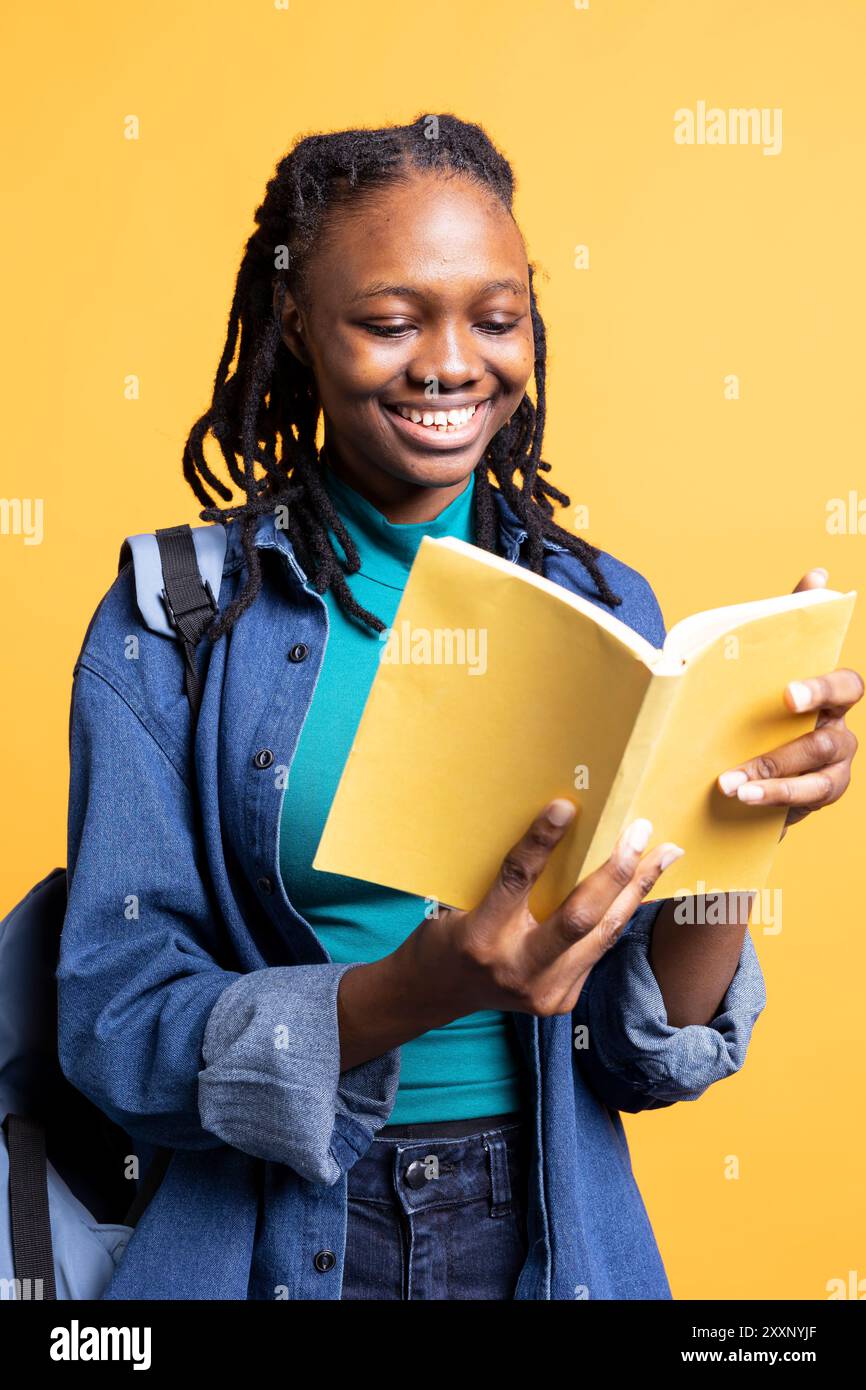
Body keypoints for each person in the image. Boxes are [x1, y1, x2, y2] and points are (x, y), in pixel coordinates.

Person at [57, 114, 861, 1301]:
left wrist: (742, 827)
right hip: (278, 1237)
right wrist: (411, 992)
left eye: (495, 318)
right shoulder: (173, 621)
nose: (448, 364)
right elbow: (114, 1027)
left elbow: (641, 1058)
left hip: (546, 1229)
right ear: (295, 322)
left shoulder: (604, 609)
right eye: (389, 322)